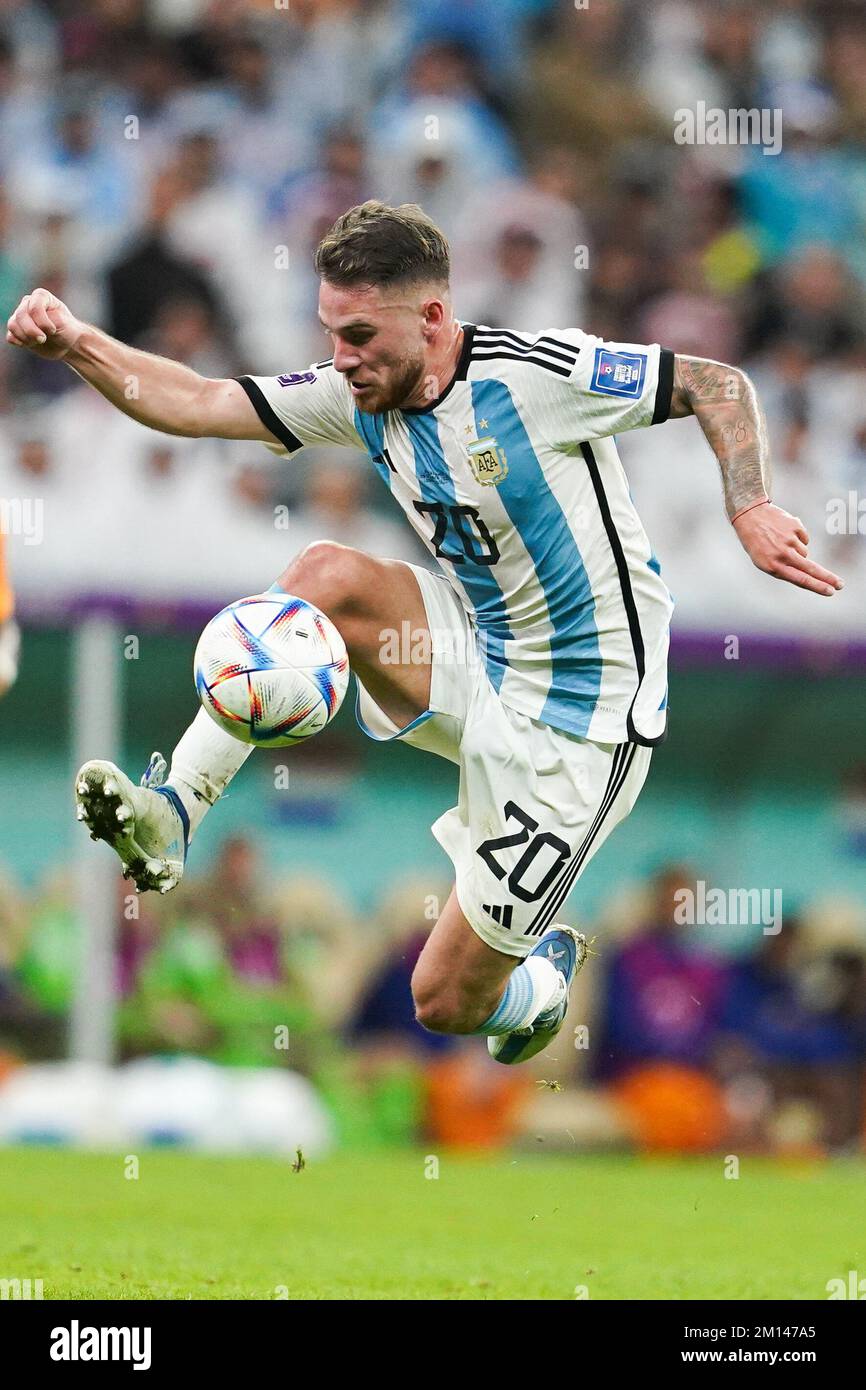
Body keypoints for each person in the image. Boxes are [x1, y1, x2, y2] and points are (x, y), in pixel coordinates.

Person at [5, 200, 843, 1066]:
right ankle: (174, 811)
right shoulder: (359, 393)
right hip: (478, 652)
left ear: (434, 318)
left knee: (443, 1000)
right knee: (325, 573)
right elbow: (202, 401)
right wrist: (77, 342)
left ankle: (541, 987)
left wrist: (749, 506)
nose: (341, 358)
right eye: (331, 332)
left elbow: (717, 382)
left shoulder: (536, 376)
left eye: (361, 334)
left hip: (584, 726)